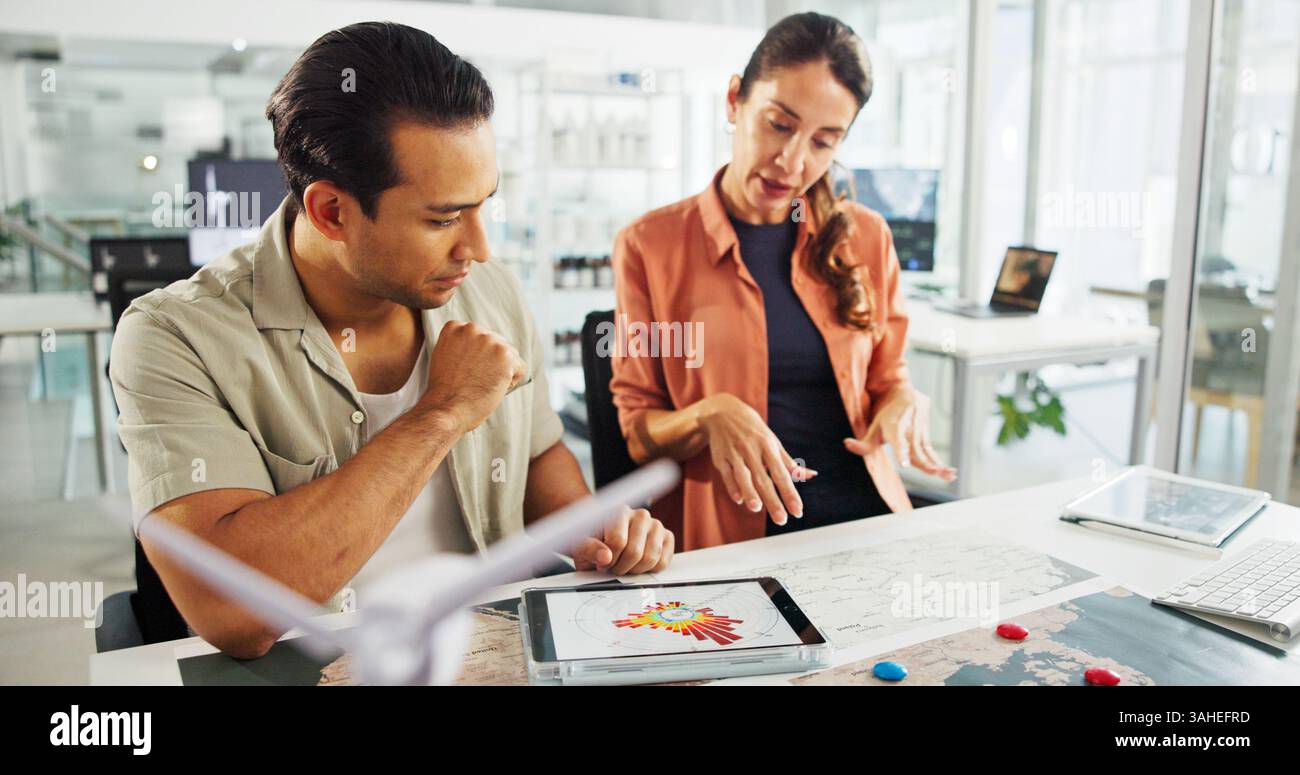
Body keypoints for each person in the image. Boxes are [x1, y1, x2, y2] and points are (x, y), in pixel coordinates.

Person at [110, 22, 673, 659]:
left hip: (497, 650)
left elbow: (541, 458)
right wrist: (440, 414)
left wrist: (590, 526)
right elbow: (234, 613)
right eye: (442, 218)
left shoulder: (491, 289)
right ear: (331, 212)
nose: (479, 248)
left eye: (484, 204)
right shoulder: (173, 337)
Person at [610, 12, 955, 551]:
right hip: (732, 539)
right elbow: (637, 437)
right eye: (779, 124)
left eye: (823, 141)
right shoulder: (649, 247)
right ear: (734, 100)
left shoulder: (866, 238)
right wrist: (709, 414)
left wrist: (905, 399)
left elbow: (890, 376)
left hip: (867, 527)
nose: (792, 162)